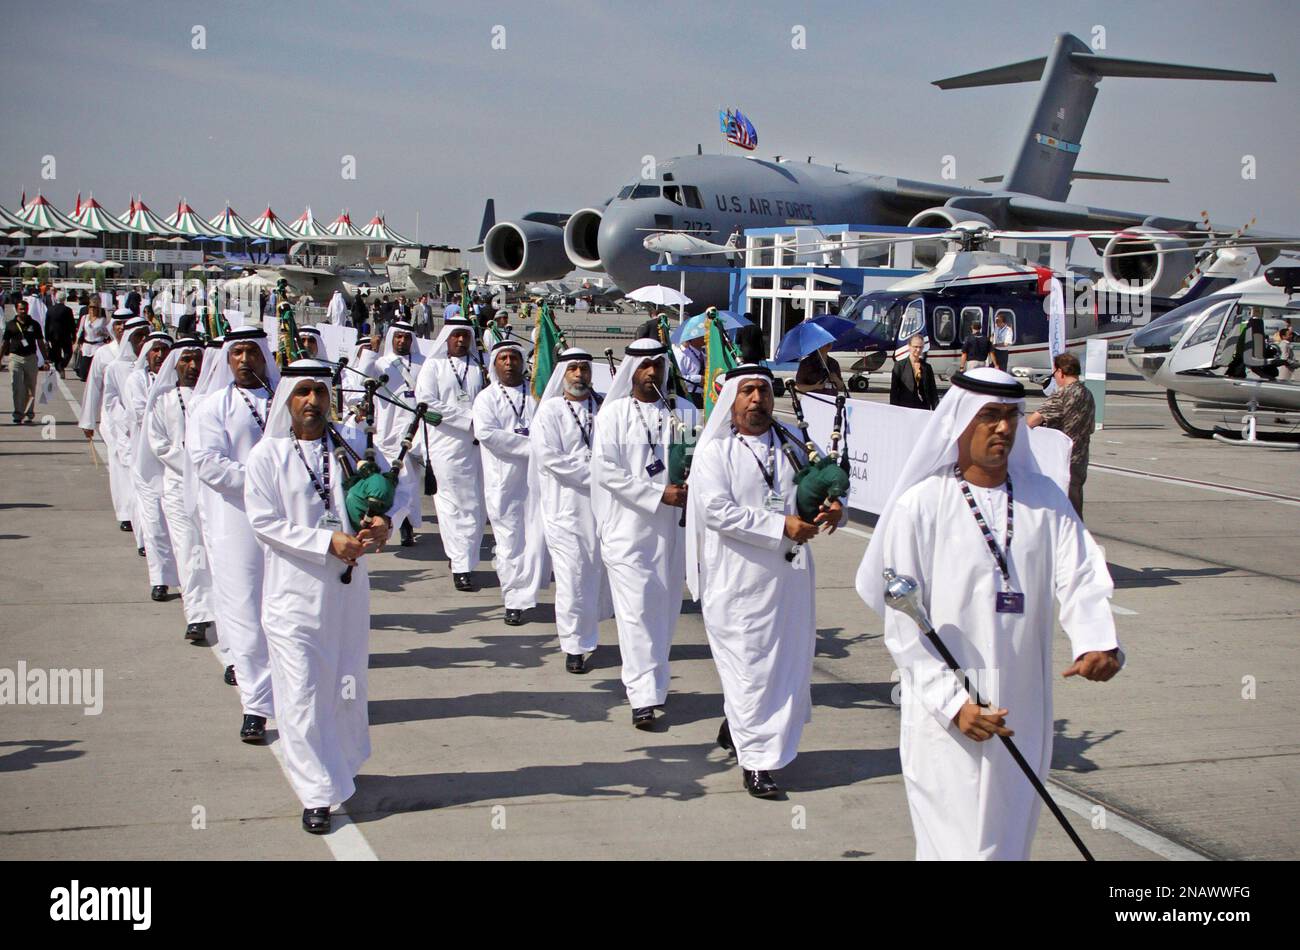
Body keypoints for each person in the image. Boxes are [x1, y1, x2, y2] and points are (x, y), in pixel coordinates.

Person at [856, 366, 1122, 860]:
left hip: (1022, 704)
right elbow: (903, 622)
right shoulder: (921, 505)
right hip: (947, 717)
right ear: (959, 422)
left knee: (1006, 843)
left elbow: (1081, 574)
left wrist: (1096, 640)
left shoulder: (1046, 501)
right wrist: (952, 704)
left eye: (1010, 417)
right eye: (989, 417)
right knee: (955, 847)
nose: (1003, 428)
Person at [245, 359, 403, 835]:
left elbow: (377, 501)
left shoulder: (350, 449)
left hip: (348, 593)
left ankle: (342, 763)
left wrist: (382, 526)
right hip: (295, 596)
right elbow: (263, 523)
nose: (313, 401)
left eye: (320, 392)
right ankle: (315, 791)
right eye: (303, 392)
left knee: (346, 684)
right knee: (302, 694)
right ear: (288, 399)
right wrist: (326, 542)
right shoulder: (266, 457)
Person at [686, 366, 842, 797]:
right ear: (732, 400)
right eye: (748, 391)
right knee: (750, 668)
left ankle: (740, 728)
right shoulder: (715, 451)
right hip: (738, 581)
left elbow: (820, 484)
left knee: (786, 664)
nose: (757, 399)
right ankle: (757, 761)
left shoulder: (792, 441)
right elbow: (716, 510)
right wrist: (780, 526)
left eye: (764, 391)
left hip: (790, 576)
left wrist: (834, 507)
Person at [593, 339, 699, 728]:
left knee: (664, 613)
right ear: (631, 371)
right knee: (636, 614)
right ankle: (642, 696)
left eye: (658, 365)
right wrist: (658, 494)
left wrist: (688, 486)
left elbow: (692, 462)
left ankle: (655, 684)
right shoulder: (614, 415)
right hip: (628, 532)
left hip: (672, 533)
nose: (652, 372)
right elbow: (606, 470)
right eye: (645, 366)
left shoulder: (684, 412)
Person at [188, 327, 280, 742]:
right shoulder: (213, 406)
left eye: (252, 353)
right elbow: (208, 463)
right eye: (237, 353)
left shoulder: (288, 400)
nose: (245, 360)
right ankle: (256, 706)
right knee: (244, 611)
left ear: (265, 357)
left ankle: (298, 699)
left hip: (287, 520)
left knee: (286, 613)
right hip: (237, 521)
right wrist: (260, 482)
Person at [531, 349, 609, 673]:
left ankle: (590, 632)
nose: (580, 375)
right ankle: (574, 645)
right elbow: (552, 459)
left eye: (585, 369)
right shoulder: (549, 413)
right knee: (572, 579)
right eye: (574, 368)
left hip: (604, 509)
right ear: (563, 373)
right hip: (566, 511)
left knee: (596, 577)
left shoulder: (605, 406)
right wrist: (599, 473)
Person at [140, 337, 217, 643]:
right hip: (177, 486)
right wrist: (191, 464)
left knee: (215, 551)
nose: (193, 366)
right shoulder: (162, 400)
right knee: (189, 550)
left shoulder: (213, 399)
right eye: (186, 359)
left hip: (213, 488)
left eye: (197, 359)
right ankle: (198, 615)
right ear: (176, 363)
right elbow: (158, 444)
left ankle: (220, 609)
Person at [472, 339, 544, 625]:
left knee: (535, 541)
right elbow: (488, 434)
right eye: (504, 358)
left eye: (515, 357)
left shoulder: (537, 395)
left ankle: (529, 592)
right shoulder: (486, 398)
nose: (510, 363)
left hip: (536, 482)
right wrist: (533, 447)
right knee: (509, 542)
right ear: (495, 364)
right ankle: (513, 599)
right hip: (503, 484)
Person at [414, 316, 486, 590]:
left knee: (475, 506)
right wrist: (466, 419)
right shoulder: (433, 366)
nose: (460, 340)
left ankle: (462, 556)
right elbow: (427, 402)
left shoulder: (478, 366)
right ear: (446, 338)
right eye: (455, 335)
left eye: (465, 336)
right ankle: (461, 567)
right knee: (451, 505)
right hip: (445, 445)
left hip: (476, 447)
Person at [125, 331, 179, 601]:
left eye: (164, 350)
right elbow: (139, 414)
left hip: (176, 467)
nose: (159, 355)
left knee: (178, 525)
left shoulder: (177, 383)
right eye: (154, 349)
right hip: (147, 464)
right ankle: (159, 579)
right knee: (154, 524)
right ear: (146, 353)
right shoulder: (136, 380)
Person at [79, 309, 135, 531]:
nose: (122, 328)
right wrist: (88, 421)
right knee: (119, 464)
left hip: (137, 420)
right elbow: (94, 387)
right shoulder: (104, 353)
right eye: (118, 324)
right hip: (112, 419)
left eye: (126, 324)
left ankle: (138, 510)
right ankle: (125, 513)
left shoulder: (142, 352)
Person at [373, 320, 427, 545]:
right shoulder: (381, 364)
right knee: (401, 481)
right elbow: (360, 380)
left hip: (419, 430)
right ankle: (404, 526)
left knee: (415, 483)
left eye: (406, 337)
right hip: (390, 431)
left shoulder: (424, 363)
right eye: (398, 337)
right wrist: (370, 351)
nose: (402, 341)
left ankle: (410, 521)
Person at [103, 317, 152, 555]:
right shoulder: (116, 368)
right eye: (137, 337)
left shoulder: (156, 366)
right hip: (129, 435)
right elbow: (111, 401)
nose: (142, 341)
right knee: (135, 488)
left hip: (153, 438)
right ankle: (142, 540)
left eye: (145, 336)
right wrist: (128, 423)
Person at [1027, 352, 1095, 517]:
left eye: (1055, 374)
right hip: (1081, 457)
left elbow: (1031, 421)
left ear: (1060, 372)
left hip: (1062, 459)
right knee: (1075, 503)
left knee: (1062, 510)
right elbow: (1091, 427)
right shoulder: (1088, 394)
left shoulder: (1063, 394)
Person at [1, 299, 49, 424]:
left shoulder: (34, 324)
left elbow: (40, 342)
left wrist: (46, 359)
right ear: (16, 310)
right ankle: (18, 414)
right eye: (21, 309)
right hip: (15, 358)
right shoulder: (11, 324)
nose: (23, 311)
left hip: (31, 358)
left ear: (28, 310)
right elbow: (5, 343)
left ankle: (29, 412)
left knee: (30, 387)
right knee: (17, 387)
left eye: (25, 309)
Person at [889, 334, 939, 410]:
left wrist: (936, 410)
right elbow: (894, 391)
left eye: (921, 347)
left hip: (923, 408)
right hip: (905, 408)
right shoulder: (899, 365)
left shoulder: (927, 367)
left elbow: (933, 391)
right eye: (915, 347)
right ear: (909, 346)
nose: (918, 350)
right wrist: (893, 410)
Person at [73, 298, 111, 380]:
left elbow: (108, 334)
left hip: (98, 346)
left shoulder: (102, 320)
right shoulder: (84, 318)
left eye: (94, 307)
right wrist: (76, 343)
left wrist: (103, 334)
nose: (92, 309)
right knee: (83, 374)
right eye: (90, 307)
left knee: (96, 371)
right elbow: (79, 331)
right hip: (87, 346)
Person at [44, 291, 76, 376]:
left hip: (53, 336)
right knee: (68, 352)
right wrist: (74, 336)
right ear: (64, 299)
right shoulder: (68, 310)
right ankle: (62, 365)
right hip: (66, 335)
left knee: (56, 353)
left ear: (56, 298)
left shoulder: (50, 309)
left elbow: (47, 324)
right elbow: (72, 324)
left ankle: (59, 366)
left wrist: (46, 337)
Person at [675, 329, 706, 408]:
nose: (704, 336)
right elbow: (679, 379)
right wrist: (699, 378)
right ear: (693, 338)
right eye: (701, 334)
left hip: (704, 396)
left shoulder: (704, 355)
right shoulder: (683, 355)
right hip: (690, 396)